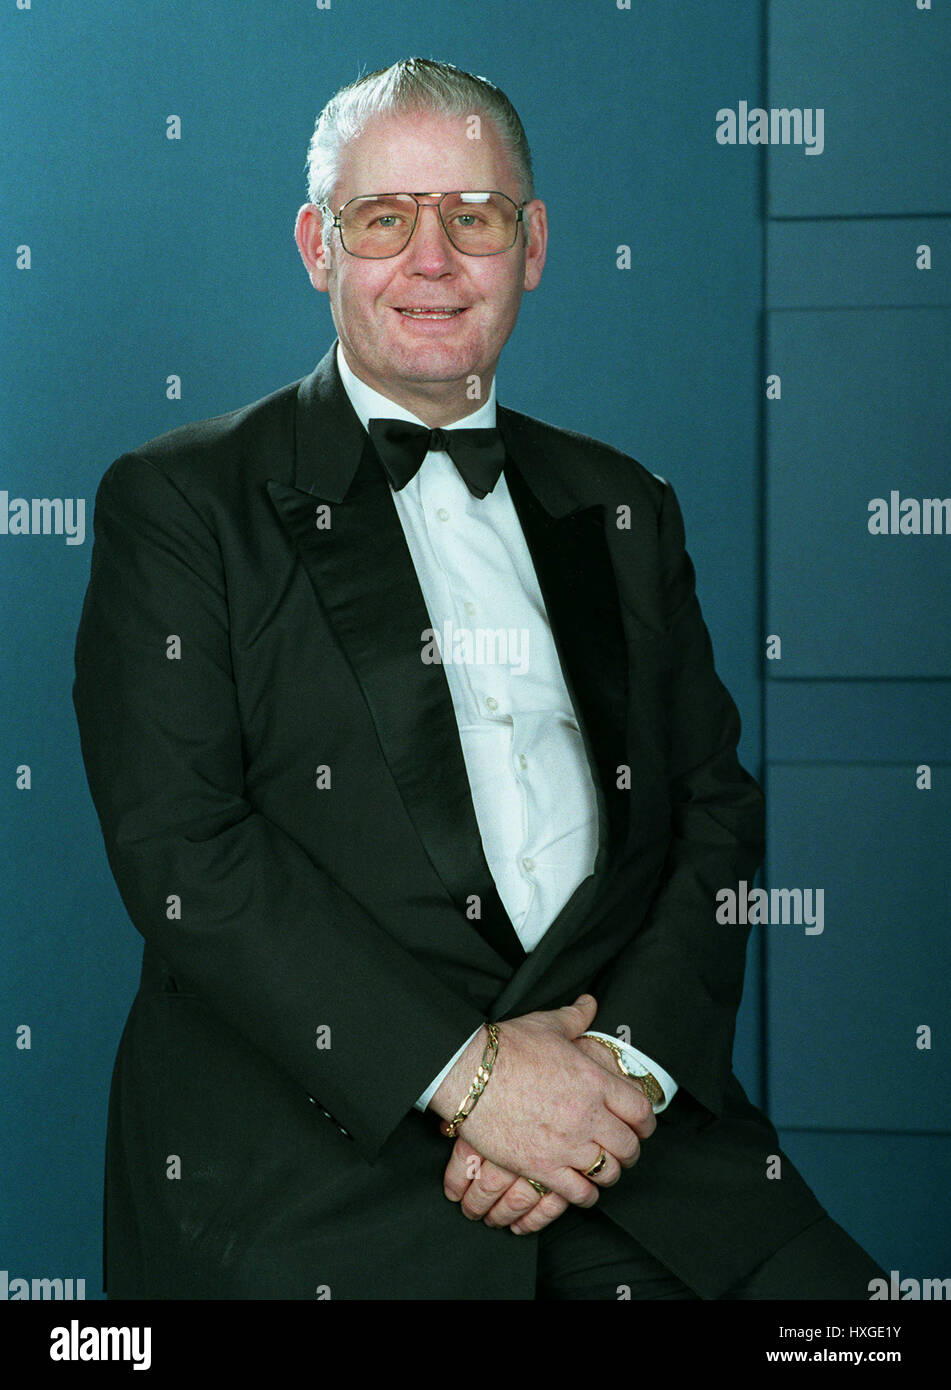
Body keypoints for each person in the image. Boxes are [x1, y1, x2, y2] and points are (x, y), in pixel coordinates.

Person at [73, 57, 884, 1299]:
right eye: (387, 219)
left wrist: (626, 1071)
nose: (434, 261)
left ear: (535, 243)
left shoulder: (622, 501)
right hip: (326, 1166)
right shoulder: (180, 501)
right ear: (317, 245)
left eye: (476, 217)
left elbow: (715, 808)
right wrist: (477, 1078)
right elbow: (183, 850)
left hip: (635, 1136)